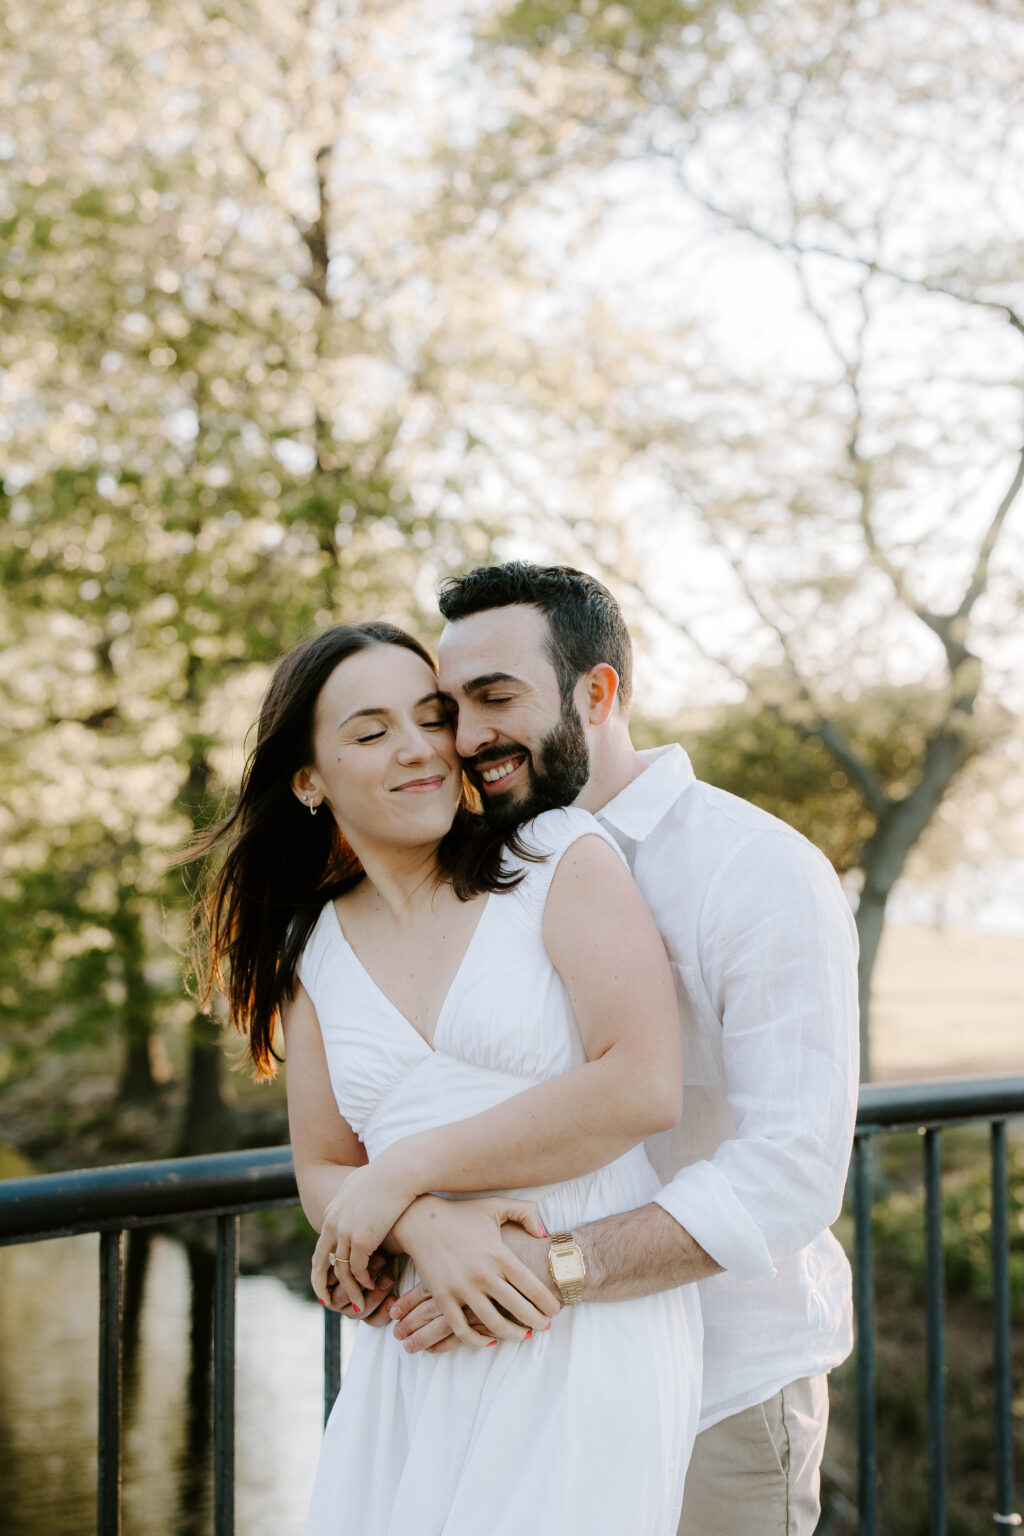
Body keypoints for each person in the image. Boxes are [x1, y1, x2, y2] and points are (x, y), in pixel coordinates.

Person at [371, 564, 860, 1536]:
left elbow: (792, 1173)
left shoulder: (755, 872)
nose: (467, 740)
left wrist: (546, 1272)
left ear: (597, 693)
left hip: (721, 1390)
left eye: (496, 699)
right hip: (529, 1396)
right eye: (451, 706)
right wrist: (418, 1220)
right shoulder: (481, 873)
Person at [189, 619, 702, 1536]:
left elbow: (640, 1084)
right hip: (413, 1343)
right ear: (307, 779)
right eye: (371, 730)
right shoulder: (315, 947)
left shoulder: (554, 857)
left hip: (572, 1320)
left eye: (431, 718)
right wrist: (420, 1221)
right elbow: (324, 1169)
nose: (422, 748)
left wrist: (398, 1172)